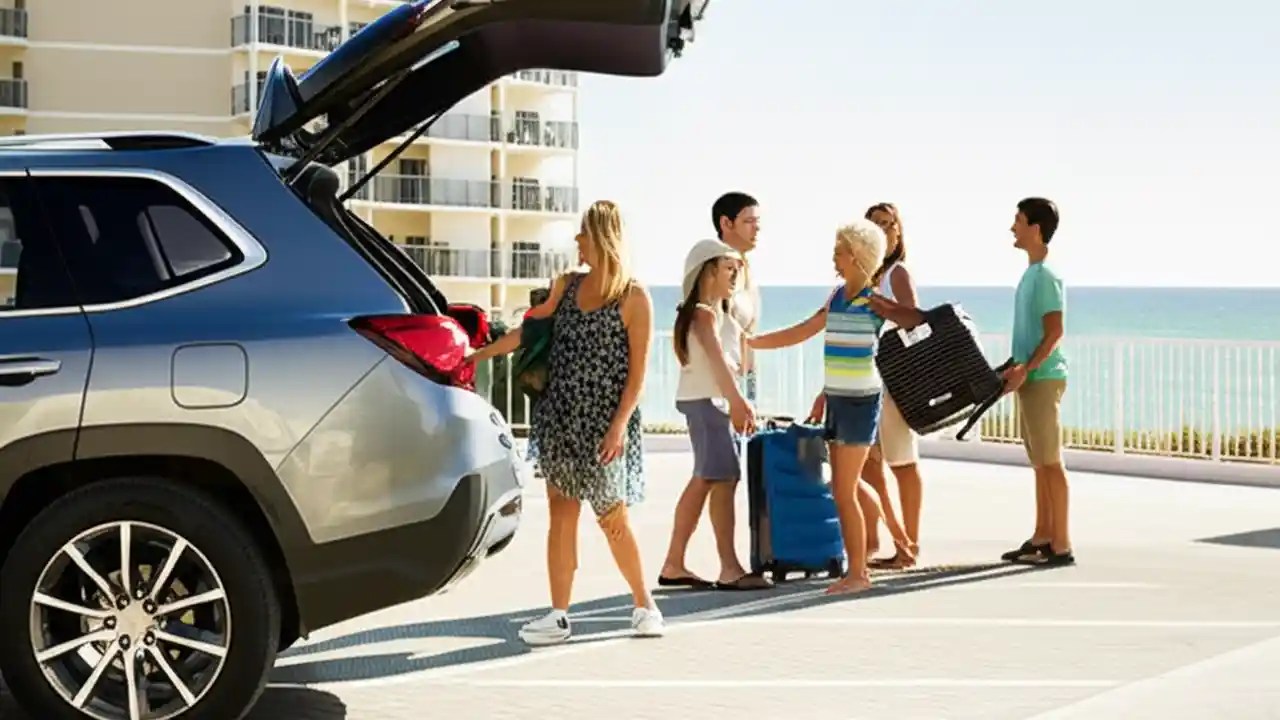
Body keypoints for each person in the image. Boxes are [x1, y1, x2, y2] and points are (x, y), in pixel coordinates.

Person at [468, 200, 666, 645]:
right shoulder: (567, 286)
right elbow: (529, 334)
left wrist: (618, 426)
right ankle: (558, 615)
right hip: (559, 417)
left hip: (604, 424)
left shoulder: (635, 296)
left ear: (600, 236)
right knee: (561, 517)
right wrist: (476, 356)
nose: (576, 241)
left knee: (613, 518)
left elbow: (637, 377)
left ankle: (645, 605)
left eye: (582, 233)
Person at [748, 219, 923, 595]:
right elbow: (803, 330)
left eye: (839, 251)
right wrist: (754, 344)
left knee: (844, 490)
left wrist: (892, 309)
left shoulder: (872, 301)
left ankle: (858, 573)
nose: (834, 258)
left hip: (862, 404)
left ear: (858, 256)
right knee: (850, 485)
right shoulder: (838, 297)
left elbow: (915, 320)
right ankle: (889, 541)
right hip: (839, 401)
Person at [658, 239, 772, 591]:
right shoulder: (704, 314)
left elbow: (739, 351)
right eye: (728, 269)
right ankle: (726, 567)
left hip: (708, 403)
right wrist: (738, 401)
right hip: (710, 404)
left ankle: (678, 563)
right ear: (708, 271)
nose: (735, 275)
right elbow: (718, 361)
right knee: (714, 479)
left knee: (712, 479)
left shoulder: (714, 313)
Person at [999, 197, 1074, 566]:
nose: (1012, 227)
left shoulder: (1046, 275)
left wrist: (1027, 369)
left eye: (1018, 220)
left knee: (1051, 462)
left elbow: (1054, 331)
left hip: (1043, 378)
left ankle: (1061, 544)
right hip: (1028, 377)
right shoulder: (1031, 274)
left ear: (1036, 228)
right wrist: (1016, 368)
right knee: (1039, 463)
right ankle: (1042, 535)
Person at [859, 202, 924, 569]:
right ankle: (873, 541)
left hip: (895, 380)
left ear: (898, 232)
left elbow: (915, 318)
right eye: (875, 225)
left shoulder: (897, 273)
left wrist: (879, 304)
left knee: (902, 463)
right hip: (868, 381)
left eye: (889, 225)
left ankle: (909, 545)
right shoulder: (866, 276)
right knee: (869, 464)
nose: (883, 231)